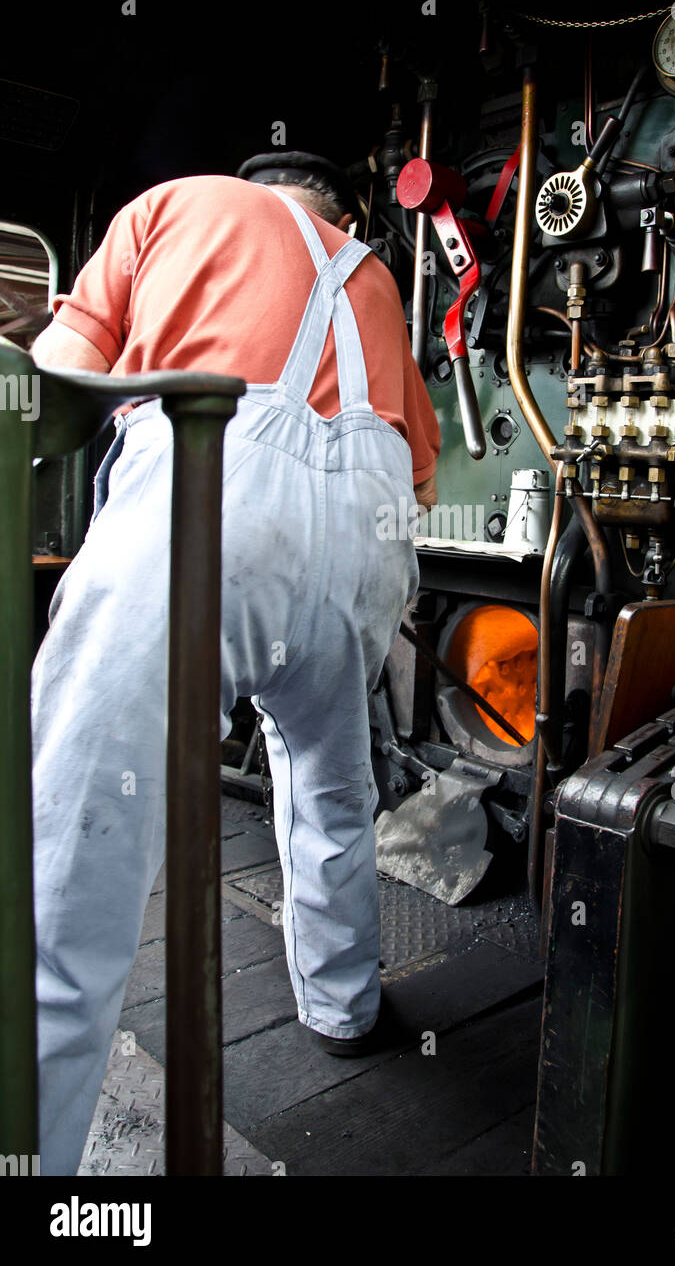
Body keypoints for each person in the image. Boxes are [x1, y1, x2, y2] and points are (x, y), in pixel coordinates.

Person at [29, 151, 441, 1175]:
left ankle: (23, 1153)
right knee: (329, 784)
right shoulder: (380, 281)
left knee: (69, 854)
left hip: (207, 497)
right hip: (367, 550)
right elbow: (422, 480)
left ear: (256, 185)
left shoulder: (173, 203)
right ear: (342, 212)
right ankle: (343, 1005)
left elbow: (50, 391)